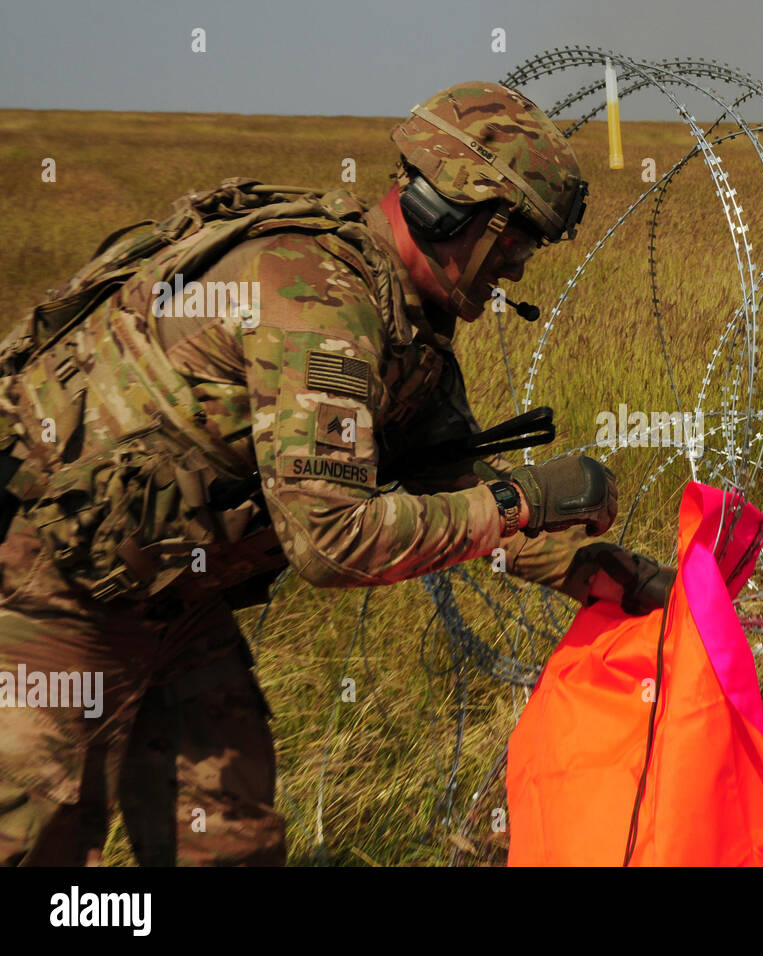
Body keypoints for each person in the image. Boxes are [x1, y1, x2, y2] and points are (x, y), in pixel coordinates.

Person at [0, 81, 673, 866]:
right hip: (52, 583)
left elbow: (443, 478)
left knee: (227, 839)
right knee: (36, 846)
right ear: (454, 215)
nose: (515, 273)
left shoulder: (402, 314)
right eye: (515, 245)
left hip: (171, 591)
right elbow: (333, 540)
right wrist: (522, 501)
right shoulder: (317, 301)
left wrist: (603, 572)